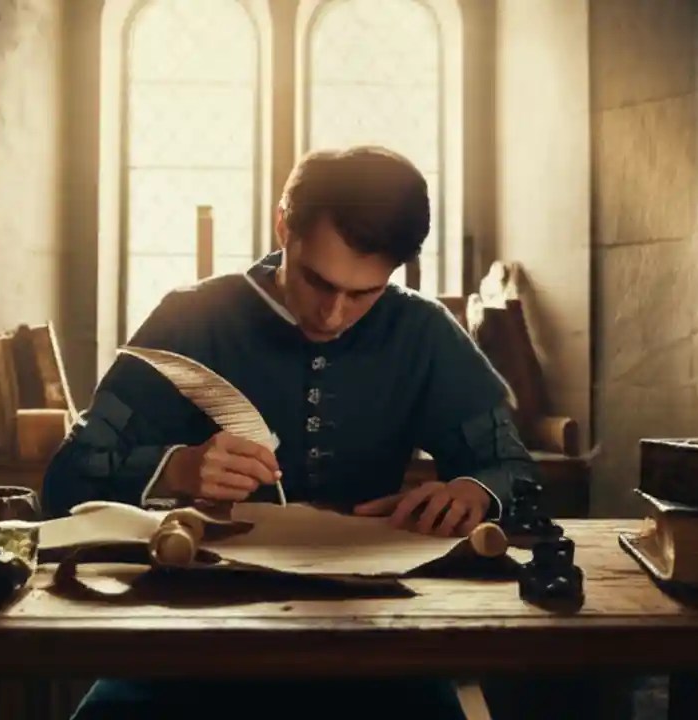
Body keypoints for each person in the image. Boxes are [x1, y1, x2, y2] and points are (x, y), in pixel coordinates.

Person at [43, 146, 539, 719]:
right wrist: (177, 468)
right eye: (317, 281)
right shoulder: (190, 316)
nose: (333, 314)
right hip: (188, 644)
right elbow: (65, 481)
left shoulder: (422, 331)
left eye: (363, 295)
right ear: (283, 225)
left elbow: (516, 472)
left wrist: (475, 491)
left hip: (376, 647)